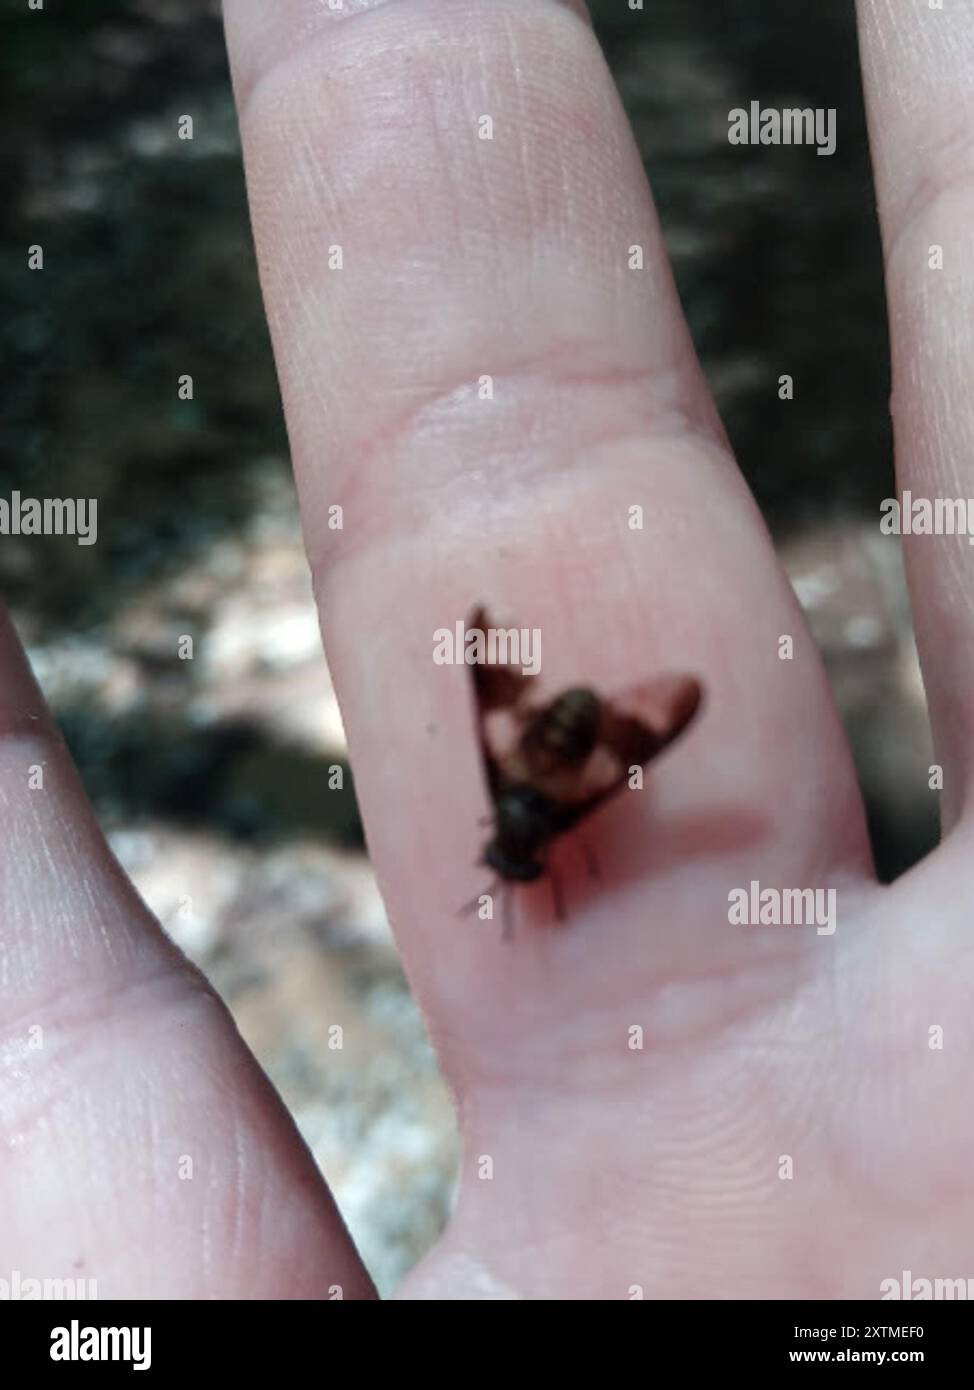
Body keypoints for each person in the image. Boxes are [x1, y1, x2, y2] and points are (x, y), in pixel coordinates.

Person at [2, 0, 969, 1299]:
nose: (512, 864)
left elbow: (600, 738)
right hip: (553, 737)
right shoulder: (539, 782)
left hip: (566, 741)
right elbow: (551, 725)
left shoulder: (557, 791)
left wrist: (567, 768)